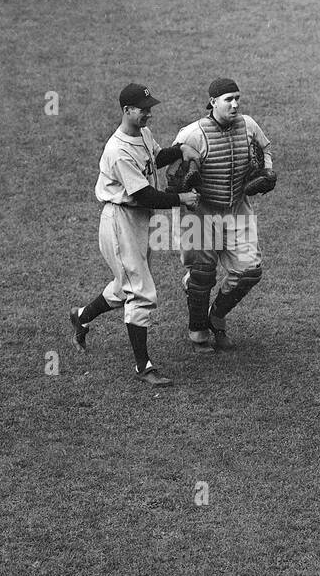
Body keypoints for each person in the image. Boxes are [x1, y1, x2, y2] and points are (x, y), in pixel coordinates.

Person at [68, 83, 199, 386]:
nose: (149, 113)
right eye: (144, 109)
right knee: (140, 291)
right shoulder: (117, 150)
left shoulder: (143, 133)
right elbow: (144, 196)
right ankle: (143, 366)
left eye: (150, 107)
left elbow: (155, 159)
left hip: (140, 221)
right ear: (127, 111)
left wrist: (180, 150)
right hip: (121, 222)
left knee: (126, 283)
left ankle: (82, 316)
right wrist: (181, 199)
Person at [172, 78, 276, 352]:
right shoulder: (193, 134)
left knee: (250, 272)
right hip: (200, 213)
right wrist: (183, 180)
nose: (235, 104)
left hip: (237, 210)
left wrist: (267, 172)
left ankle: (215, 316)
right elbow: (172, 172)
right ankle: (198, 333)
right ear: (213, 102)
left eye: (237, 98)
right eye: (228, 99)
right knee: (203, 273)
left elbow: (264, 149)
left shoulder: (248, 125)